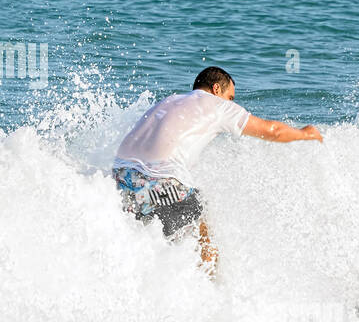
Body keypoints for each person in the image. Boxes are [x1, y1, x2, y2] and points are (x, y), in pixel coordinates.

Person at [112, 66, 323, 275]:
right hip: (160, 184)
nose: (232, 102)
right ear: (216, 89)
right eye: (230, 97)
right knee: (203, 223)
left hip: (120, 181)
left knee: (155, 240)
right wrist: (305, 133)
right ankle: (209, 293)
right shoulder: (217, 105)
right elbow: (274, 131)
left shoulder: (169, 101)